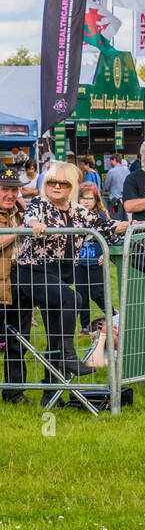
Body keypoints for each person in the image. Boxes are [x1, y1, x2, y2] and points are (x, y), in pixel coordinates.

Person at [14, 161, 128, 380]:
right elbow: (30, 215)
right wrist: (34, 224)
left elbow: (105, 225)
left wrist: (135, 225)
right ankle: (69, 355)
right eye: (52, 182)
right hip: (34, 272)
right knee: (73, 298)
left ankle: (51, 391)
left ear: (71, 187)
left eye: (63, 183)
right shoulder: (40, 203)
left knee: (56, 335)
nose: (56, 187)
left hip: (58, 277)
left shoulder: (77, 210)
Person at [1, 166, 29, 402]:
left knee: (18, 340)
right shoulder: (20, 220)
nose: (10, 194)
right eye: (5, 189)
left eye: (14, 189)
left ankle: (14, 391)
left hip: (18, 285)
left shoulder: (21, 212)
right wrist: (20, 230)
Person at [72, 184, 116, 333]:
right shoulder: (74, 215)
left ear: (96, 200)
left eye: (90, 198)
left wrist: (106, 253)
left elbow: (111, 237)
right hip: (80, 262)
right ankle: (84, 327)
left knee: (97, 292)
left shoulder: (101, 217)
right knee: (81, 294)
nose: (86, 201)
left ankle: (112, 313)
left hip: (96, 261)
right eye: (83, 198)